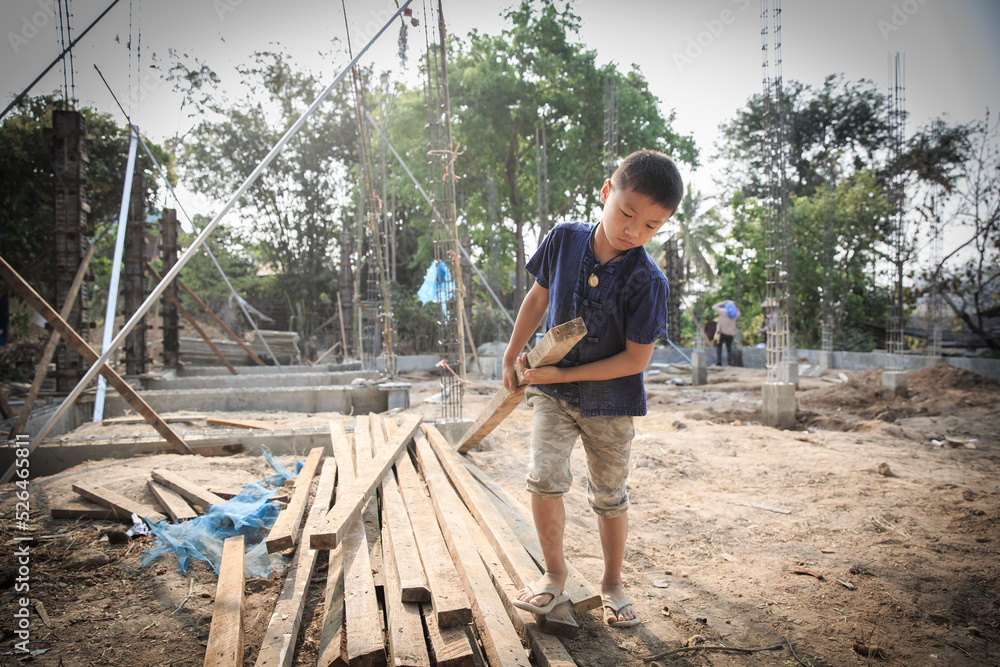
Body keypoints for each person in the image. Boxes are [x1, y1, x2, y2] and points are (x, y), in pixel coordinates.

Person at [503, 149, 683, 628]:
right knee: (544, 478)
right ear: (607, 193)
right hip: (552, 396)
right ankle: (554, 574)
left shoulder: (649, 281)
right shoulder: (564, 239)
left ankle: (612, 584)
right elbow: (538, 296)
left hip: (611, 403)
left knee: (609, 495)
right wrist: (511, 353)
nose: (633, 231)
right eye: (627, 213)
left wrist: (562, 375)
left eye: (651, 226)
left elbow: (635, 360)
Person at [711, 299, 740, 365]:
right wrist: (734, 306)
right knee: (729, 348)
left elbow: (714, 307)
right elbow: (739, 312)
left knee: (719, 347)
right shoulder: (734, 314)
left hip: (722, 332)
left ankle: (719, 362)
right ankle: (730, 362)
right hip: (730, 334)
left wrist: (722, 302)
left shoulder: (723, 311)